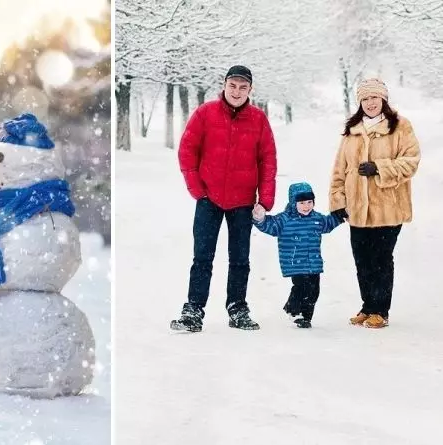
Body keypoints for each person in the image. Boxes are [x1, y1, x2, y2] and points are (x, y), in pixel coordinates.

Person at [170, 65, 278, 332]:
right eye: (233, 85)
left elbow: (268, 161)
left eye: (243, 87)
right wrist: (197, 190)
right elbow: (187, 151)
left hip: (242, 202)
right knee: (202, 257)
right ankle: (193, 310)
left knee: (240, 259)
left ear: (250, 90)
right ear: (225, 85)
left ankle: (237, 308)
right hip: (209, 199)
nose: (237, 91)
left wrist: (264, 200)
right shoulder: (205, 113)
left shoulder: (258, 119)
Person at [329, 78, 420, 329]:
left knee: (381, 258)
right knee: (362, 259)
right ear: (360, 102)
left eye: (375, 98)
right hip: (357, 209)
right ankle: (367, 306)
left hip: (388, 208)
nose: (370, 103)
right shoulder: (352, 130)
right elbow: (340, 169)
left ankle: (380, 310)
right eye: (365, 98)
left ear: (384, 99)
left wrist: (379, 168)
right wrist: (338, 199)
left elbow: (411, 160)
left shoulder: (400, 126)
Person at [252, 182, 346, 328]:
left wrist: (339, 216)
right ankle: (293, 309)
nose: (306, 206)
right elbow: (270, 226)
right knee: (301, 287)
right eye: (302, 202)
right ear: (293, 203)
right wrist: (260, 219)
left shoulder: (317, 218)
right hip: (295, 262)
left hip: (313, 263)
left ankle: (306, 317)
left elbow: (328, 223)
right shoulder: (285, 219)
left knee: (314, 291)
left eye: (309, 202)